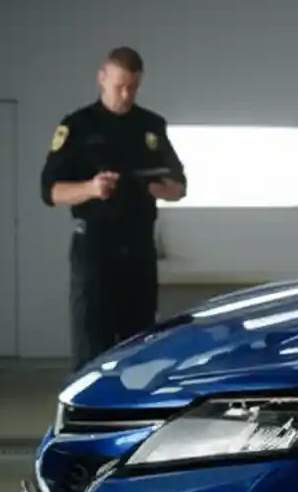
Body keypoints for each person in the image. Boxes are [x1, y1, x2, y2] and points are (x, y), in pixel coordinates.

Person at [40, 46, 187, 372]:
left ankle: (133, 415)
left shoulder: (151, 126)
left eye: (133, 87)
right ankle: (88, 417)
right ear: (102, 79)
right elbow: (50, 191)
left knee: (140, 342)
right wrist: (91, 189)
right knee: (92, 341)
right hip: (96, 249)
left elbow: (179, 186)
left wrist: (161, 189)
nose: (126, 93)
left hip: (138, 249)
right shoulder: (78, 127)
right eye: (119, 85)